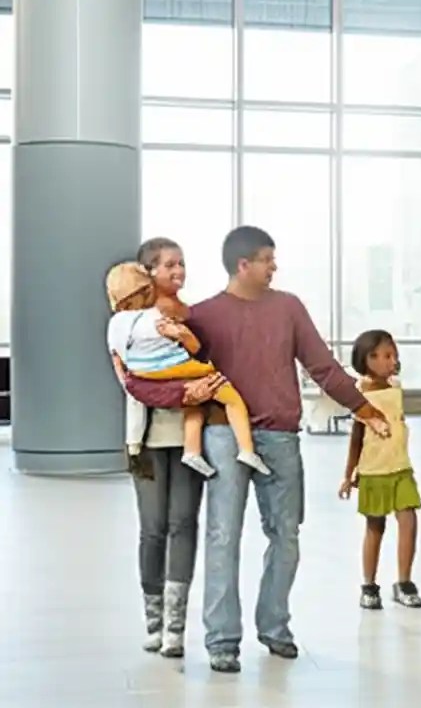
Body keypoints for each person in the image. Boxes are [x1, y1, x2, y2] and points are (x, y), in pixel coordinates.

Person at [125, 226, 390, 674]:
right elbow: (166, 367)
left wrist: (363, 407)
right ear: (242, 264)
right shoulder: (204, 315)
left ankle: (275, 627)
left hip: (281, 436)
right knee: (222, 536)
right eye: (267, 259)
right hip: (223, 436)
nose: (274, 267)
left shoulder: (288, 308)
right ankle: (222, 640)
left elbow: (322, 365)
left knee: (285, 536)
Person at [121, 237, 226, 658]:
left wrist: (196, 392)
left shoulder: (195, 320)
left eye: (181, 263)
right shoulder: (129, 322)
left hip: (189, 440)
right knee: (152, 528)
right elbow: (134, 384)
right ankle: (153, 618)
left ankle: (176, 628)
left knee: (184, 524)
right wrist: (184, 392)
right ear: (148, 272)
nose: (178, 271)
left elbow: (210, 369)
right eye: (168, 265)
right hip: (145, 441)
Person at [105, 261, 267, 477]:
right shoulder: (153, 316)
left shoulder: (116, 324)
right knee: (227, 390)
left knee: (196, 400)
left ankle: (191, 451)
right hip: (173, 369)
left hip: (142, 378)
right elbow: (194, 346)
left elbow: (120, 363)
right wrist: (180, 334)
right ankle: (247, 449)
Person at [338, 330, 421, 611]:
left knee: (409, 520)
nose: (386, 361)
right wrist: (349, 473)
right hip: (374, 471)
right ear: (363, 361)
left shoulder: (395, 387)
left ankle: (404, 582)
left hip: (400, 467)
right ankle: (369, 585)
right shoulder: (360, 393)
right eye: (376, 356)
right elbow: (356, 437)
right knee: (375, 527)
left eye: (389, 354)